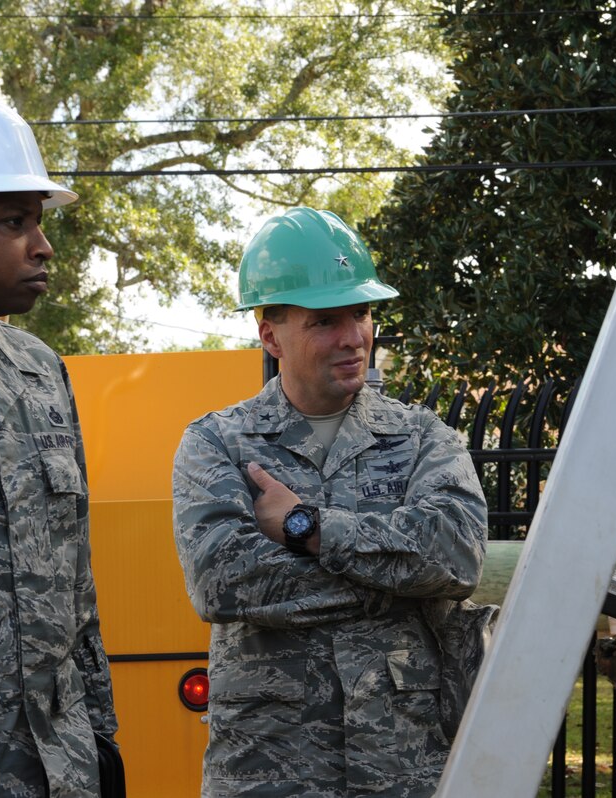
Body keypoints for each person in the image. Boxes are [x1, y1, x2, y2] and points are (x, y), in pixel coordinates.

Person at [172, 207, 490, 797]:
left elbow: (457, 557)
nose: (353, 337)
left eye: (362, 313)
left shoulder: (422, 437)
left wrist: (306, 528)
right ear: (270, 334)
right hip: (272, 769)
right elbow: (223, 581)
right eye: (324, 321)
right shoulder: (217, 442)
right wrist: (397, 578)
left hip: (406, 769)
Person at [0, 90, 117, 796]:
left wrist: (101, 740)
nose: (42, 246)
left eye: (38, 221)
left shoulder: (40, 371)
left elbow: (78, 591)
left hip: (59, 769)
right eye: (13, 223)